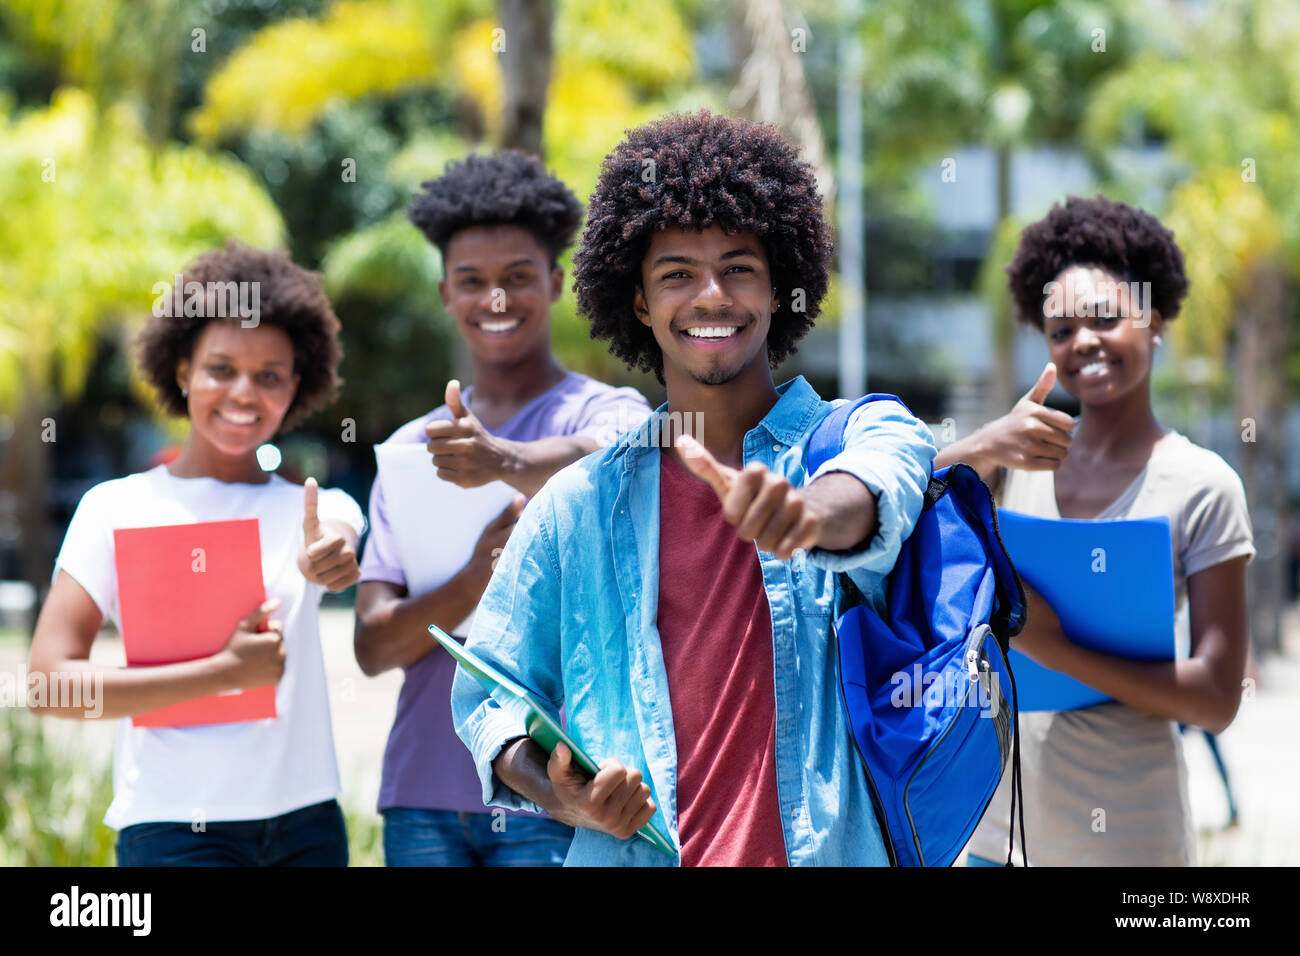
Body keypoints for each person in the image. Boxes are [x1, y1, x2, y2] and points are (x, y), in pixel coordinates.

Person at [450, 110, 937, 866]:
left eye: (739, 267)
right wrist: (565, 796)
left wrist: (802, 516)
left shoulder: (865, 433)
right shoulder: (576, 507)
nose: (711, 296)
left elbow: (877, 491)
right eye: (677, 273)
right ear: (640, 302)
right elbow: (494, 696)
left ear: (779, 290)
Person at [352, 150, 651, 867]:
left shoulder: (610, 410)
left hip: (557, 791)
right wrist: (475, 579)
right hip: (423, 796)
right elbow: (371, 648)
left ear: (553, 283)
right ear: (445, 295)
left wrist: (504, 462)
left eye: (517, 277)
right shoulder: (408, 452)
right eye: (472, 282)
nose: (496, 300)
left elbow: (624, 453)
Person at [935, 196, 1254, 866]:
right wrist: (986, 443)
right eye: (1060, 330)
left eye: (1106, 318)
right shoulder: (1012, 463)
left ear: (1156, 321)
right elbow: (900, 510)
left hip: (1132, 840)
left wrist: (1052, 645)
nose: (1082, 341)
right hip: (996, 837)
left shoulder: (1201, 483)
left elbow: (1218, 697)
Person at [29, 241, 365, 866]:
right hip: (173, 831)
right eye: (221, 368)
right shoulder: (113, 508)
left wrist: (330, 558)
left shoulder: (319, 508)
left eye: (269, 376)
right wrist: (222, 675)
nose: (244, 392)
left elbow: (333, 546)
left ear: (297, 385)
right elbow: (50, 687)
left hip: (307, 829)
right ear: (181, 369)